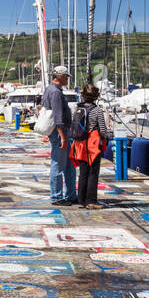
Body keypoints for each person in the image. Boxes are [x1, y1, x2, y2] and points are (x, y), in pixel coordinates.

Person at [70, 83, 112, 208]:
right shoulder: (97, 110)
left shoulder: (77, 109)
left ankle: (82, 199)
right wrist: (106, 136)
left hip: (80, 144)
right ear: (96, 96)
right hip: (93, 144)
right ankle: (91, 201)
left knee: (83, 173)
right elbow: (103, 130)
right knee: (93, 172)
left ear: (83, 95)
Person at [42, 66, 77, 205]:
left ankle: (71, 195)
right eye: (66, 76)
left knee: (69, 165)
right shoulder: (55, 92)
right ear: (61, 76)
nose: (67, 79)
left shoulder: (50, 89)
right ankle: (56, 196)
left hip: (60, 132)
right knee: (58, 164)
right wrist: (62, 136)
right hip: (60, 133)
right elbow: (57, 116)